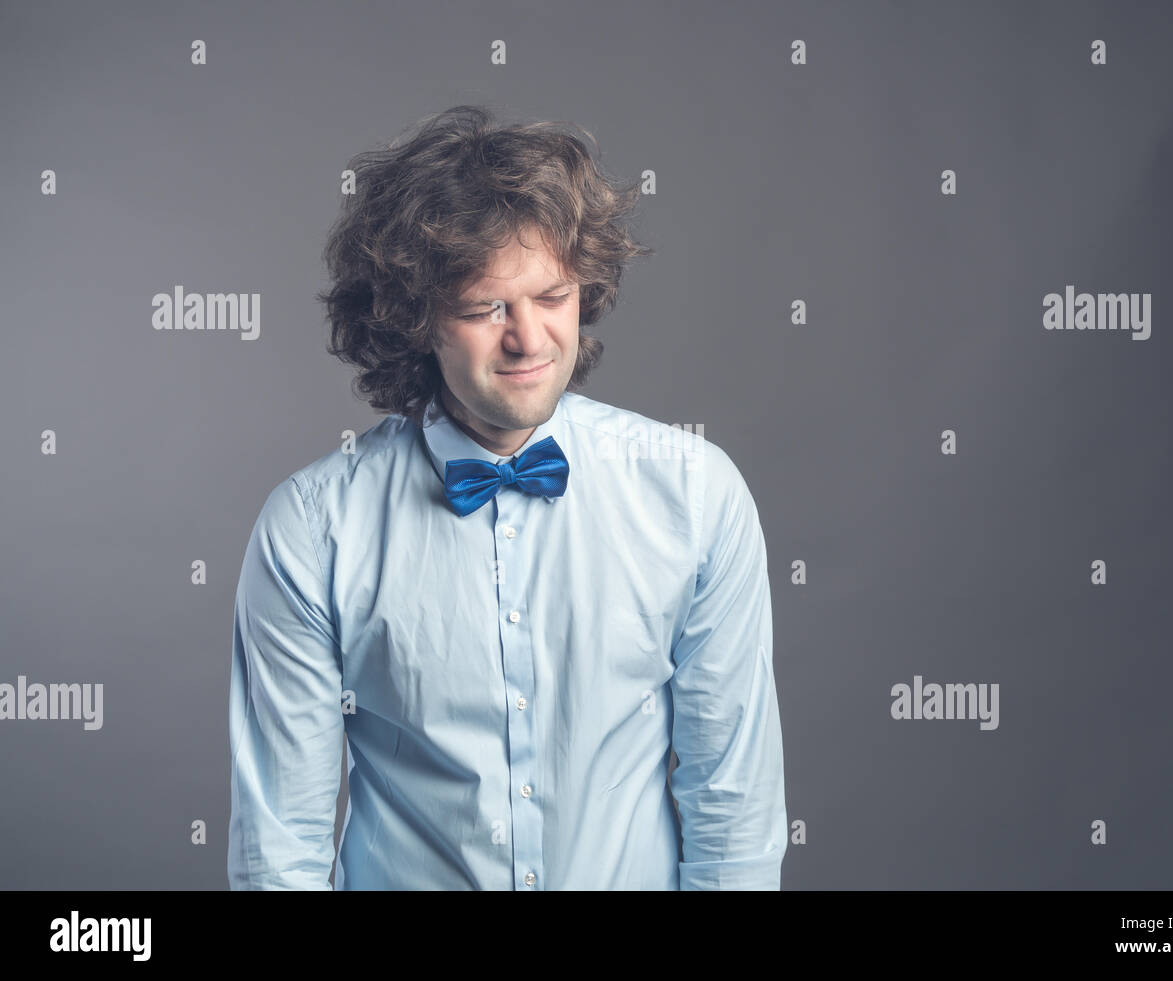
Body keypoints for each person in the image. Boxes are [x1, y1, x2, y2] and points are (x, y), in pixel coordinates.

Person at [226, 105, 787, 890]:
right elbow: (280, 849)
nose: (529, 339)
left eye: (551, 296)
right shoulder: (310, 529)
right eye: (488, 307)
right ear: (416, 318)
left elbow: (733, 814)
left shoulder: (696, 495)